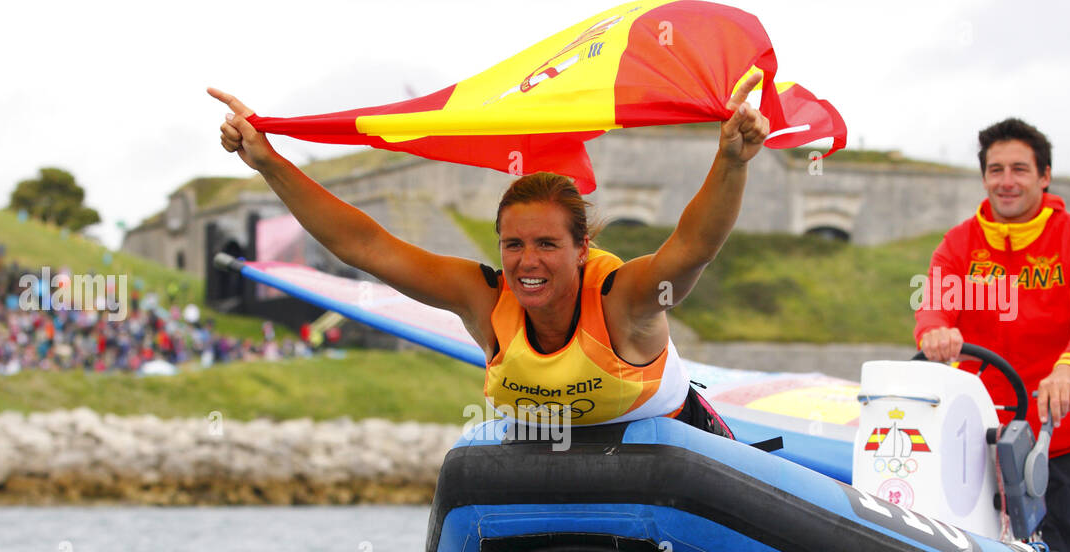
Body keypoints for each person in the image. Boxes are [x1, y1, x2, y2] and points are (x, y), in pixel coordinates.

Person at [208, 76, 773, 437]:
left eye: (547, 244)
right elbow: (365, 246)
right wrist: (268, 161)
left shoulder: (624, 300)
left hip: (675, 446)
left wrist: (733, 161)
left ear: (583, 250)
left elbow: (694, 247)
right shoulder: (481, 298)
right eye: (514, 245)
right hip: (550, 459)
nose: (528, 262)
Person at [916, 118, 1070, 552]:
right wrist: (934, 331)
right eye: (996, 170)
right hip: (979, 449)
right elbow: (933, 308)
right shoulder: (958, 245)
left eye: (1019, 169)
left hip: (1065, 443)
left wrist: (1069, 369)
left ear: (1044, 176)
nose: (1007, 181)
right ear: (984, 178)